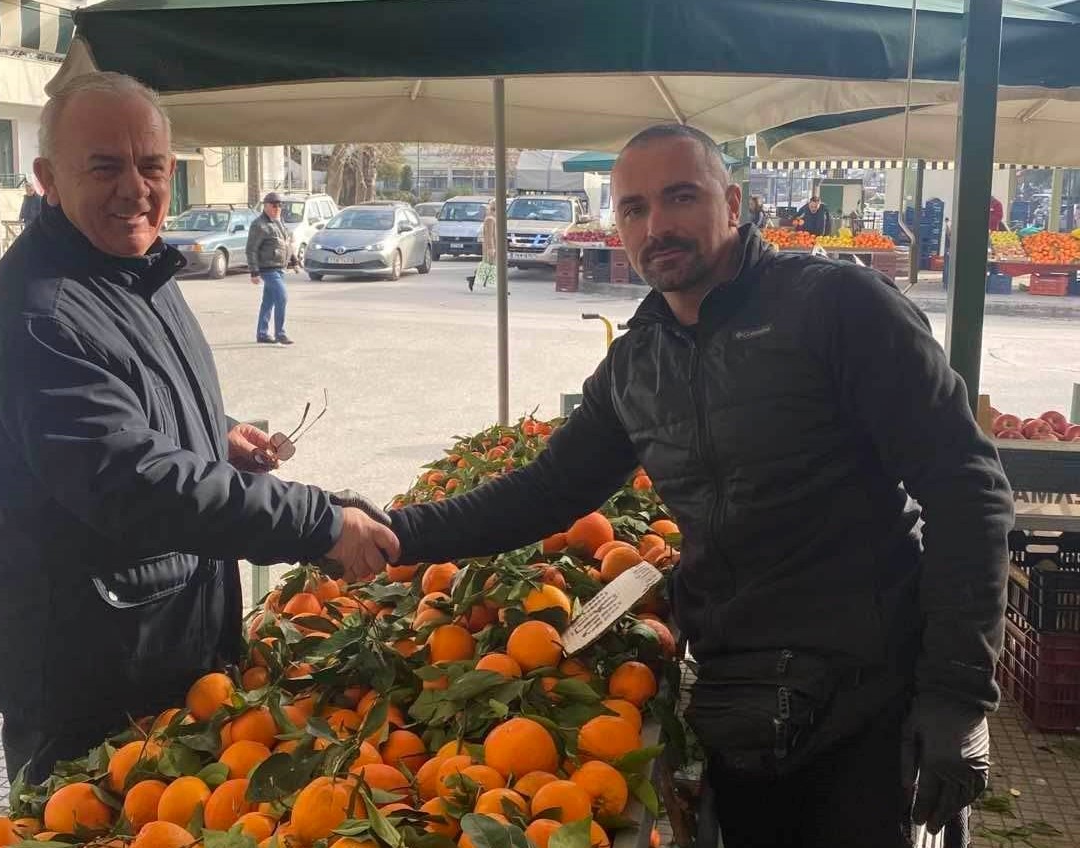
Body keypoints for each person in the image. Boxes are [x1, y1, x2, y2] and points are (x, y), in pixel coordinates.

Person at [386, 124, 1012, 847]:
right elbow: (545, 491)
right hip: (739, 698)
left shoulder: (837, 306)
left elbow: (967, 489)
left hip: (871, 694)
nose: (657, 226)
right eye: (634, 208)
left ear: (733, 203)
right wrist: (396, 532)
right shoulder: (637, 362)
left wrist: (957, 693)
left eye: (680, 197)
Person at [0, 71, 398, 784]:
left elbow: (130, 403)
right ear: (48, 179)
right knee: (91, 823)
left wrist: (216, 432)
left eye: (153, 166)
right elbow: (133, 480)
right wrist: (320, 524)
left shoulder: (130, 267)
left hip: (158, 655)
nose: (135, 188)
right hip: (92, 681)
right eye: (105, 167)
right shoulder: (42, 314)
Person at [248, 192, 292, 344]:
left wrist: (293, 260)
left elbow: (285, 243)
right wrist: (254, 272)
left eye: (280, 205)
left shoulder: (279, 222)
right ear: (266, 206)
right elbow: (251, 249)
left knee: (268, 301)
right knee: (282, 297)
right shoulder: (259, 225)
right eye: (274, 205)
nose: (277, 208)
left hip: (279, 268)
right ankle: (280, 333)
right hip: (268, 268)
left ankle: (262, 334)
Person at [467, 199, 499, 291]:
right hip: (491, 247)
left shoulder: (493, 218)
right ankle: (501, 288)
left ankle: (474, 279)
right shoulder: (490, 219)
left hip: (494, 246)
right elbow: (489, 235)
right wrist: (491, 248)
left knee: (490, 267)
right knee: (490, 266)